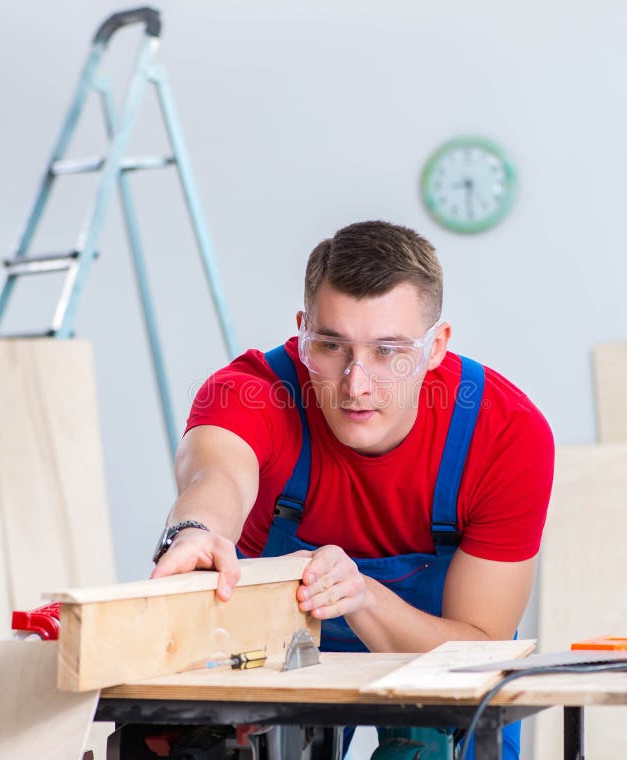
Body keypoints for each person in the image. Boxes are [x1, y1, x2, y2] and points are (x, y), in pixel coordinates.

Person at [152, 220, 555, 759]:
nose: (355, 384)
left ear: (436, 346)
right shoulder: (251, 393)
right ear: (301, 334)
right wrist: (196, 531)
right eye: (331, 345)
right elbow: (215, 475)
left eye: (389, 351)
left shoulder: (504, 433)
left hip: (433, 657)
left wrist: (362, 594)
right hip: (270, 655)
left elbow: (477, 646)